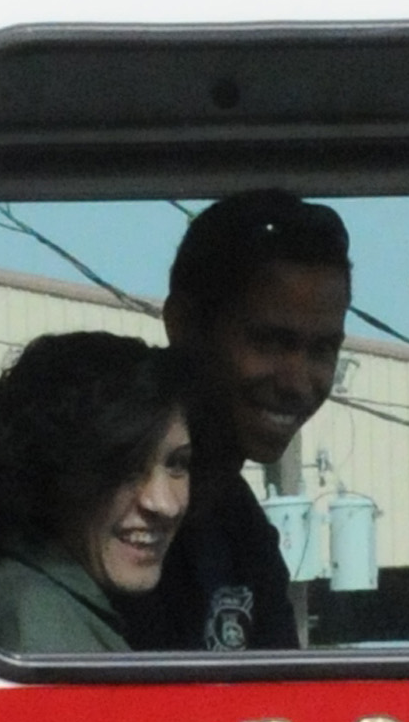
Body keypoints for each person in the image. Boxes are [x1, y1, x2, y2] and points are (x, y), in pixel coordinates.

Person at [136, 192, 352, 657]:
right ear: (184, 324)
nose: (297, 382)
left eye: (323, 350)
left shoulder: (236, 518)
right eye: (270, 342)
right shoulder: (114, 510)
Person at [0, 331, 192, 659]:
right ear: (51, 474)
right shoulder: (35, 617)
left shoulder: (51, 602)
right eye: (126, 467)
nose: (166, 504)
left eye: (177, 464)